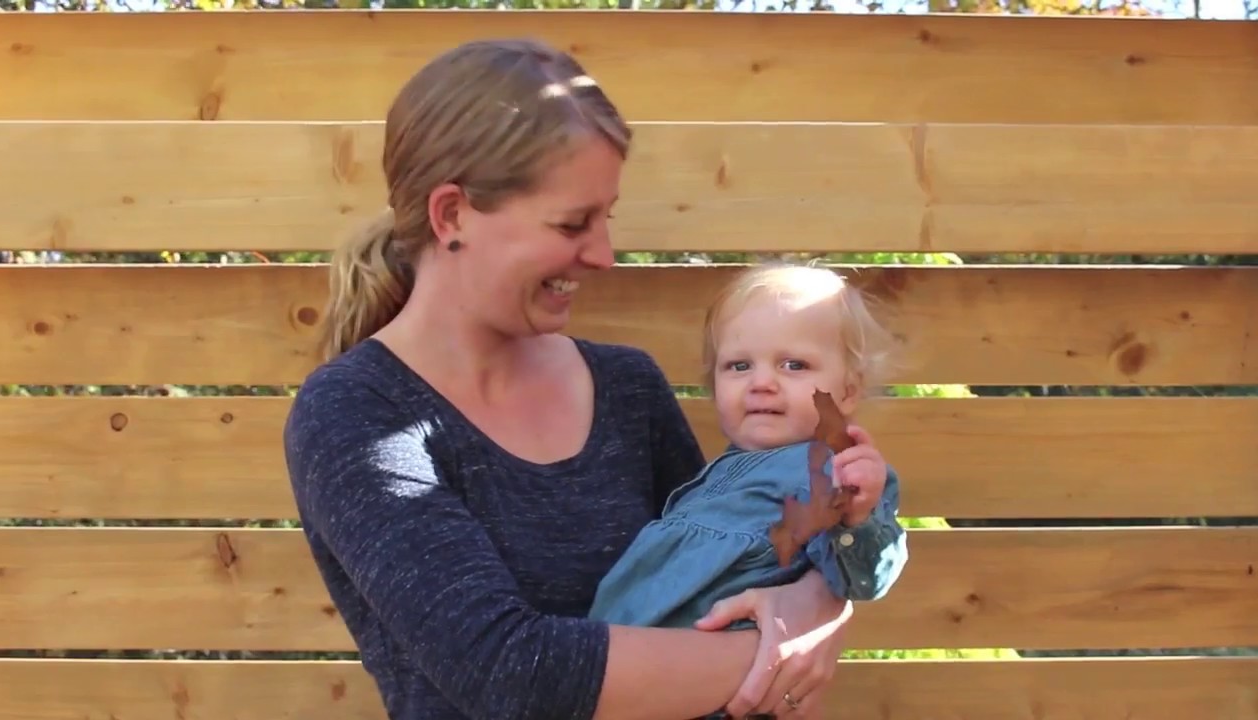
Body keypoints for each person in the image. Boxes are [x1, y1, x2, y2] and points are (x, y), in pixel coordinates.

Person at [282, 38, 895, 720]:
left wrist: (822, 600)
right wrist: (789, 648)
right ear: (452, 214)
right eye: (573, 223)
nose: (603, 254)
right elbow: (510, 674)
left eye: (608, 218)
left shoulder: (627, 388)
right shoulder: (358, 412)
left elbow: (734, 574)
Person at [589, 264, 909, 638]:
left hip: (710, 676)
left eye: (793, 365)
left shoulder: (833, 473)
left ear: (849, 390)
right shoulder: (724, 475)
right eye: (738, 366)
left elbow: (864, 581)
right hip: (625, 660)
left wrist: (858, 518)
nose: (761, 383)